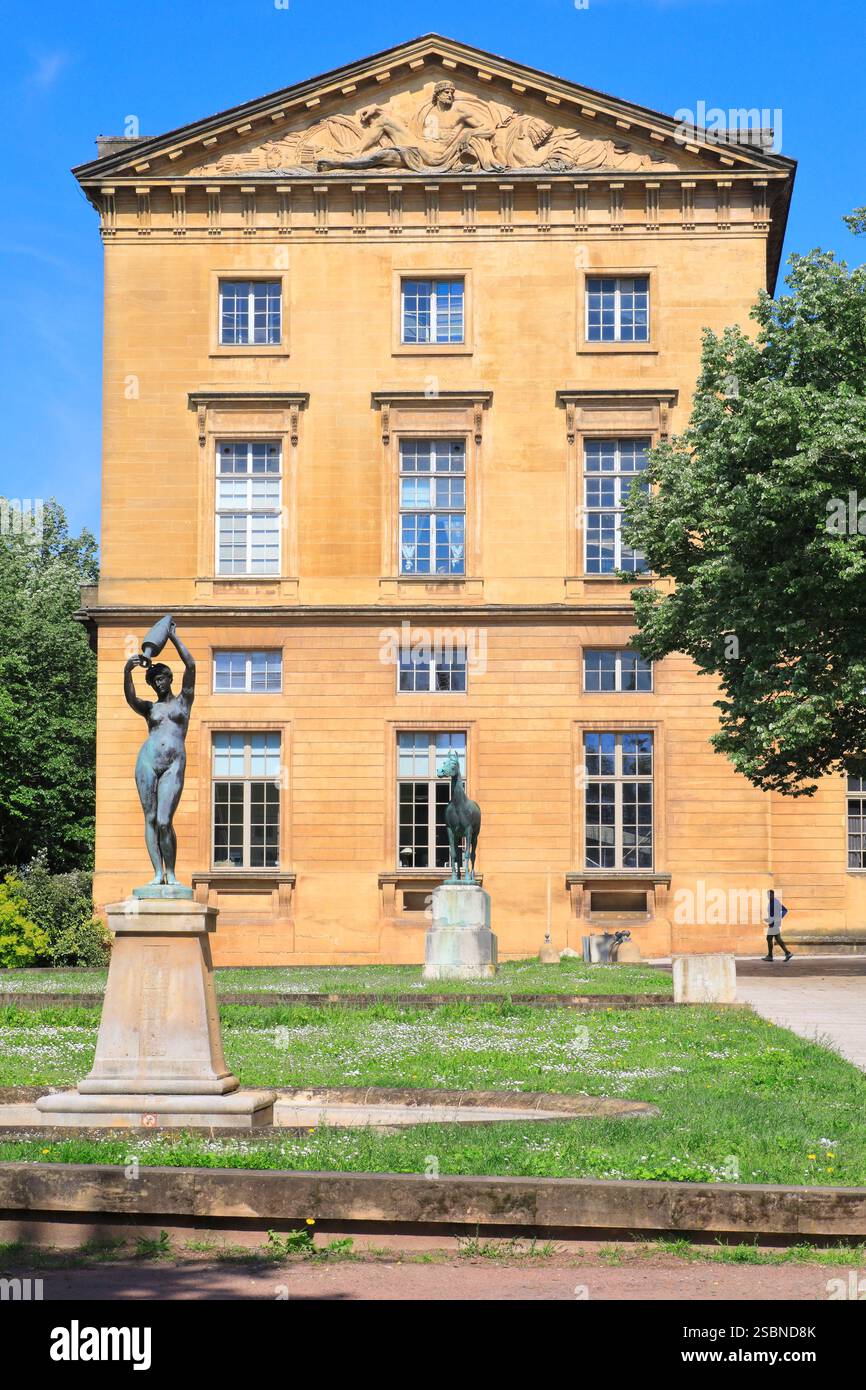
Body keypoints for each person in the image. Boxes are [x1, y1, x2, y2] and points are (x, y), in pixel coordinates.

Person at [123, 620, 195, 887]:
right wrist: (127, 672)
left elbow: (192, 666)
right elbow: (131, 699)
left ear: (170, 678)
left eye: (161, 678)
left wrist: (173, 637)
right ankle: (157, 874)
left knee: (165, 820)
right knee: (151, 818)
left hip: (174, 762)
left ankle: (172, 874)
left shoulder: (183, 702)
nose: (158, 684)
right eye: (154, 681)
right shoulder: (150, 709)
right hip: (148, 761)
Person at [762, 889, 793, 962]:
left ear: (773, 895)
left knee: (769, 938)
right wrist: (769, 919)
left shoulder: (776, 902)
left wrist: (777, 918)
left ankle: (771, 956)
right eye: (767, 895)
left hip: (774, 924)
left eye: (769, 895)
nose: (768, 896)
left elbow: (785, 910)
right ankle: (787, 953)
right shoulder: (771, 902)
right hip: (773, 923)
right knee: (777, 939)